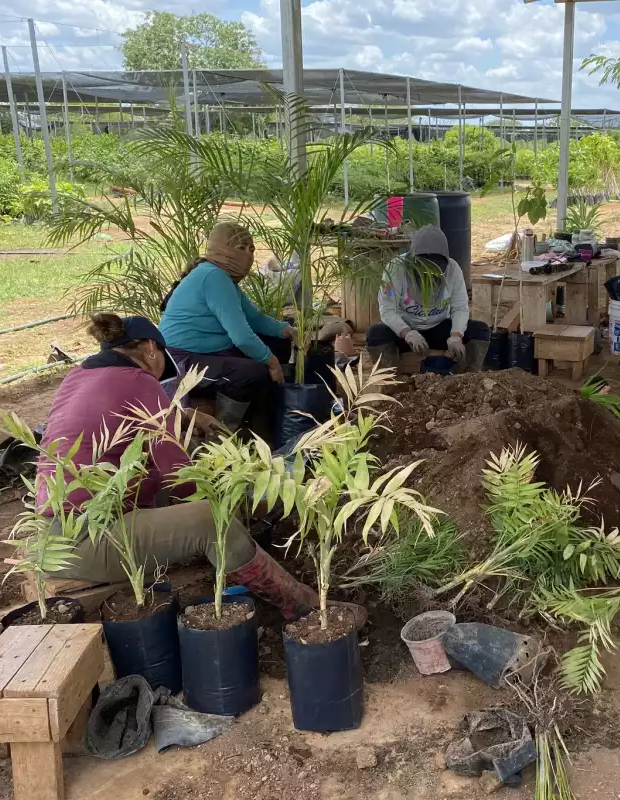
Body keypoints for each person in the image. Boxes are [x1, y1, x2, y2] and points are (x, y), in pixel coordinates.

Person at [37, 312, 356, 622]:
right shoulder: (139, 380)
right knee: (210, 518)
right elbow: (180, 478)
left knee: (173, 492)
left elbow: (120, 423)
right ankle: (304, 606)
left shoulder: (79, 378)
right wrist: (234, 493)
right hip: (89, 540)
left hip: (57, 533)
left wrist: (185, 417)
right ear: (151, 349)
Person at [158, 222, 296, 429]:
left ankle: (267, 416)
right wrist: (272, 362)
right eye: (240, 248)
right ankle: (224, 430)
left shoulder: (221, 277)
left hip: (209, 351)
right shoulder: (213, 277)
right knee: (252, 373)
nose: (247, 255)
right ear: (220, 248)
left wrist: (284, 329)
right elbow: (241, 336)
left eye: (251, 249)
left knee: (278, 342)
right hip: (182, 360)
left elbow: (254, 318)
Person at [366, 225, 490, 372]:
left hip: (437, 327)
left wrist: (456, 335)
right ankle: (388, 381)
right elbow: (387, 309)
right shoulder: (395, 269)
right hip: (406, 331)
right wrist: (407, 333)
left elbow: (460, 307)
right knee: (376, 334)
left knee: (480, 330)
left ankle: (467, 379)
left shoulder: (453, 269)